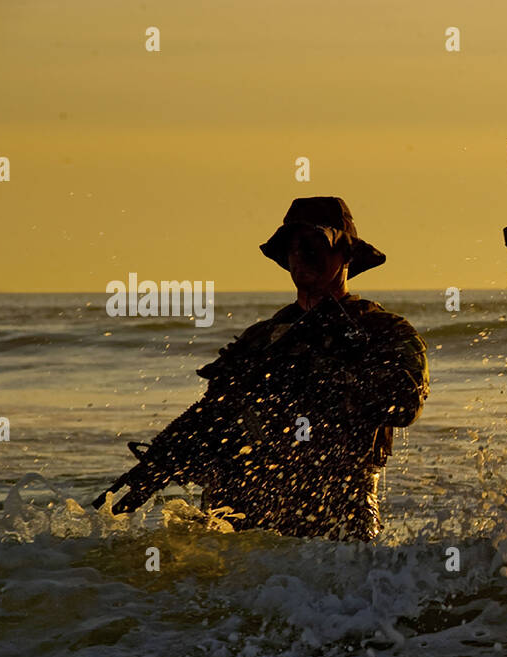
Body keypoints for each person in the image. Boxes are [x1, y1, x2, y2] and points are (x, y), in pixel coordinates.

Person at [102, 197, 428, 541]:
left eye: (314, 244)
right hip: (241, 527)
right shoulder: (259, 340)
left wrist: (318, 371)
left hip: (335, 525)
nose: (300, 255)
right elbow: (216, 417)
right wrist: (169, 460)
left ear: (346, 254)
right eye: (292, 246)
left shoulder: (381, 331)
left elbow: (404, 403)